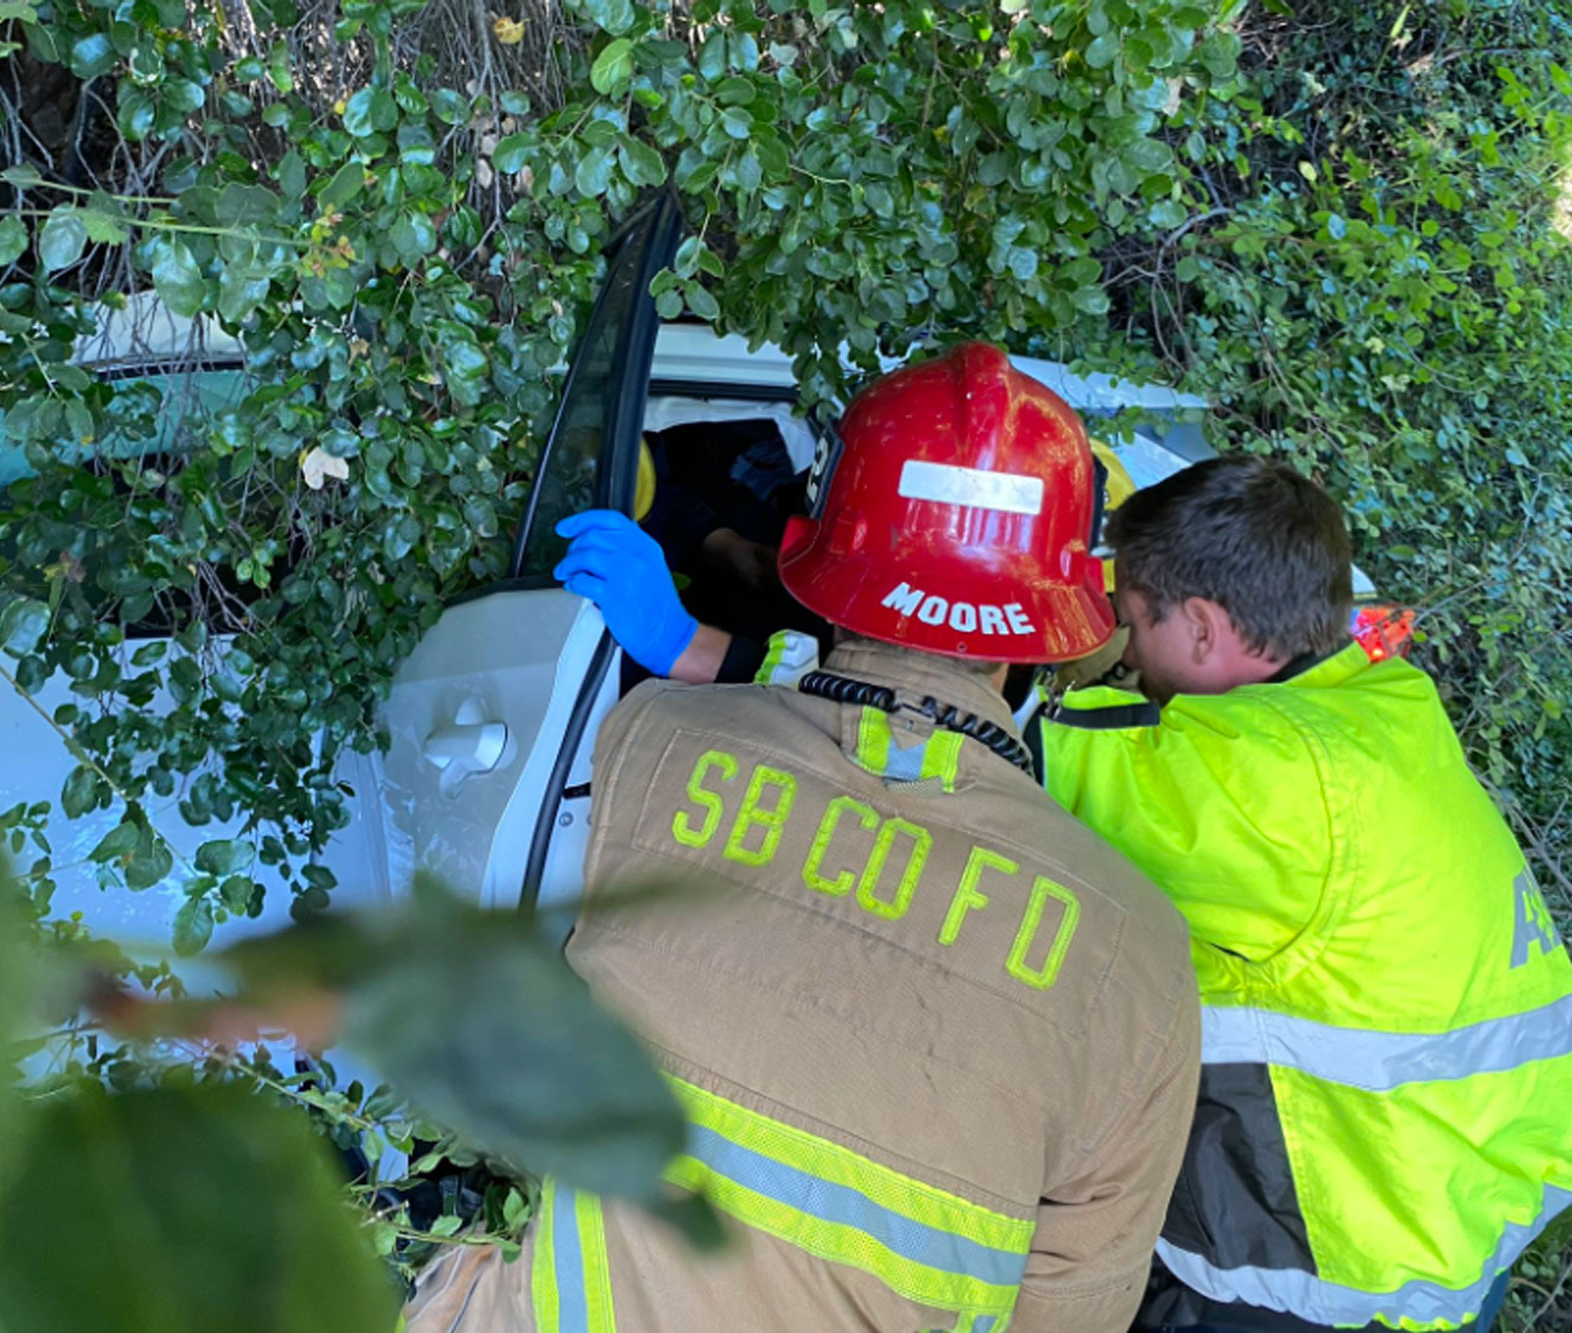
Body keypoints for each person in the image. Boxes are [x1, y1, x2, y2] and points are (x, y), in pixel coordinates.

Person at [406, 343, 1201, 1333]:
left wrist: (695, 653)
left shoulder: (652, 741)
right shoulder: (1138, 958)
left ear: (822, 558)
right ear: (1048, 634)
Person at [1031, 456, 1572, 1332]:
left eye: (1130, 623)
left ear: (1204, 627)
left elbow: (997, 748)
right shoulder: (1381, 702)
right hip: (1457, 1226)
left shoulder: (1272, 784)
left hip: (1330, 1275)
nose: (1126, 653)